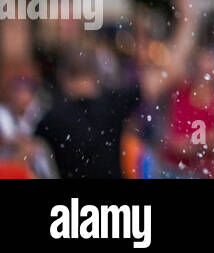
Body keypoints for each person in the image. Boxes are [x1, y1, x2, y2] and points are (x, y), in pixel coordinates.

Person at [34, 48, 140, 179]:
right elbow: (152, 85)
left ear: (62, 76)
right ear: (96, 75)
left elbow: (29, 151)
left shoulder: (52, 118)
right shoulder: (114, 103)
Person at [161, 47, 214, 177]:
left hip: (203, 172)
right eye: (207, 59)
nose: (210, 65)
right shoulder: (181, 92)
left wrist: (190, 144)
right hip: (173, 168)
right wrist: (204, 141)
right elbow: (175, 143)